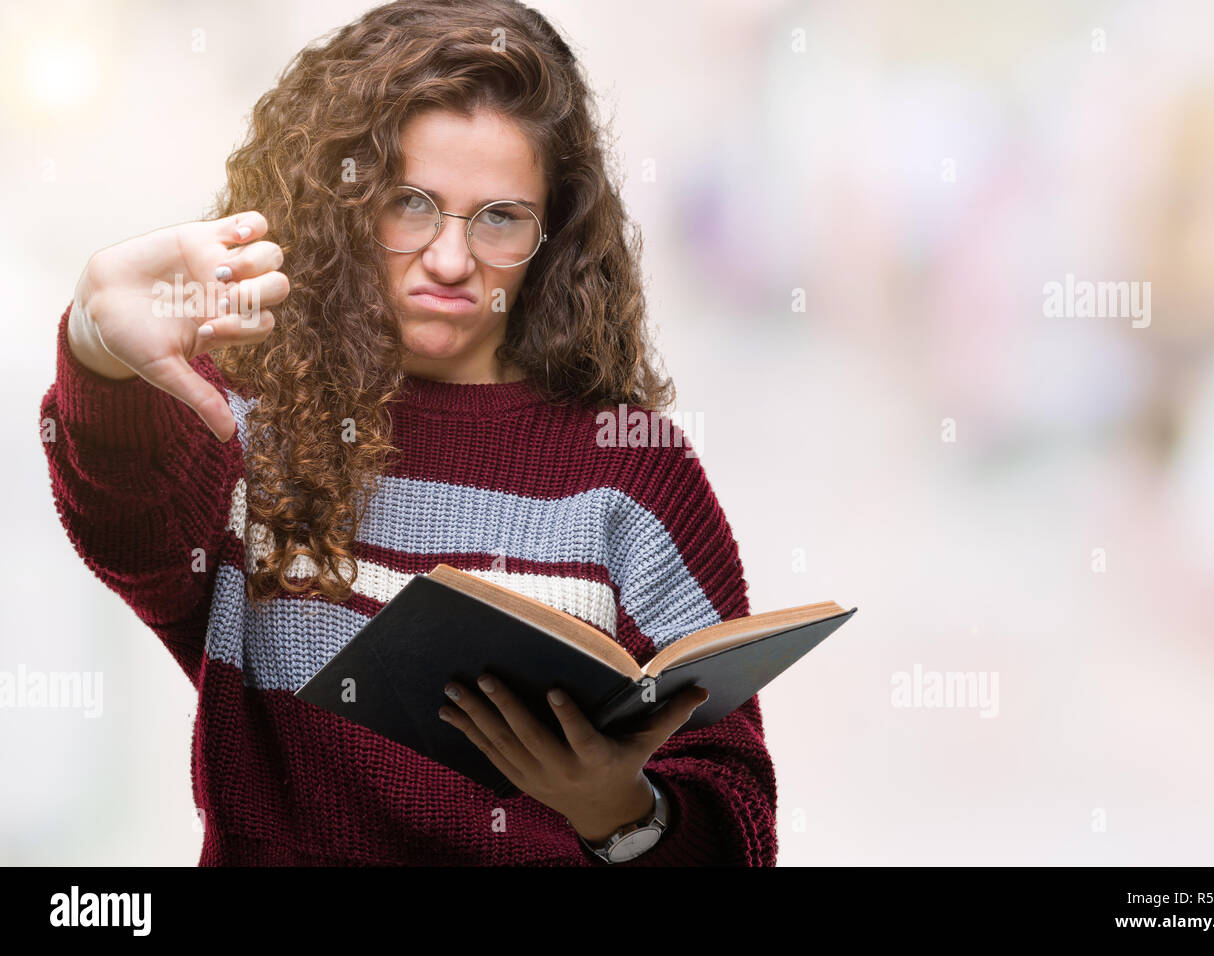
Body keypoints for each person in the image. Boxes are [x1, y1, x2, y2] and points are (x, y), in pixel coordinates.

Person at [38, 0, 778, 865]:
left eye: (500, 218)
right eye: (411, 203)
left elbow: (737, 827)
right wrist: (98, 353)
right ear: (342, 201)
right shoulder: (251, 409)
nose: (452, 260)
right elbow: (134, 533)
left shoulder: (633, 474)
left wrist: (618, 810)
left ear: (555, 235)